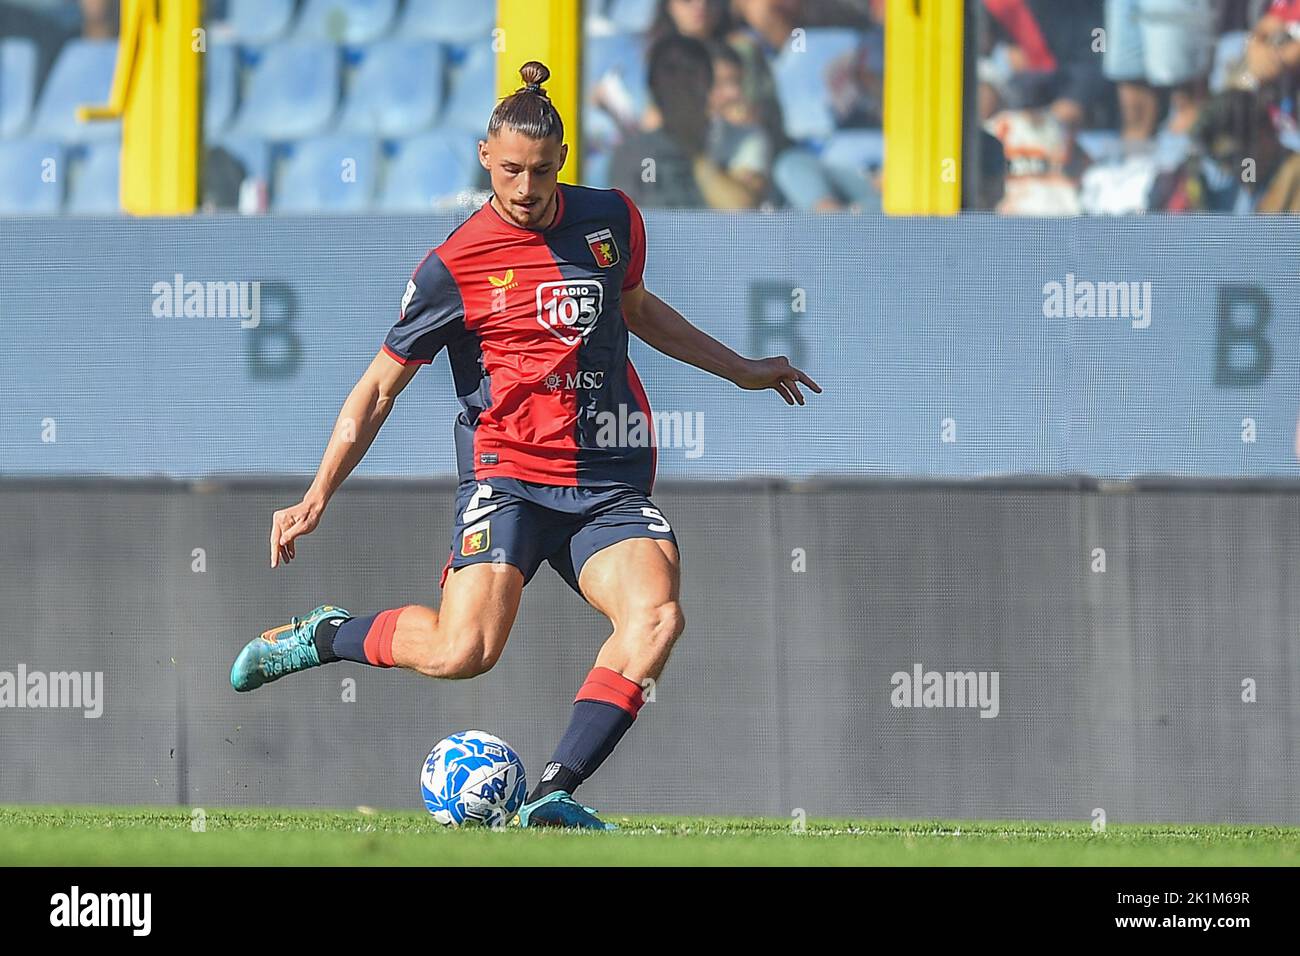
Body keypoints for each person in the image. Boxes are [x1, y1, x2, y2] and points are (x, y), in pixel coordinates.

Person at [228, 61, 821, 829]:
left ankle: (553, 790)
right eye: (510, 169)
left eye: (541, 170)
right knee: (461, 652)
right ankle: (325, 635)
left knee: (656, 618)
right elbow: (378, 387)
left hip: (607, 480)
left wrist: (738, 368)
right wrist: (315, 495)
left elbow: (638, 310)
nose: (525, 187)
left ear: (563, 161)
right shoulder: (453, 266)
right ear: (485, 158)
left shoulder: (612, 221)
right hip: (505, 477)